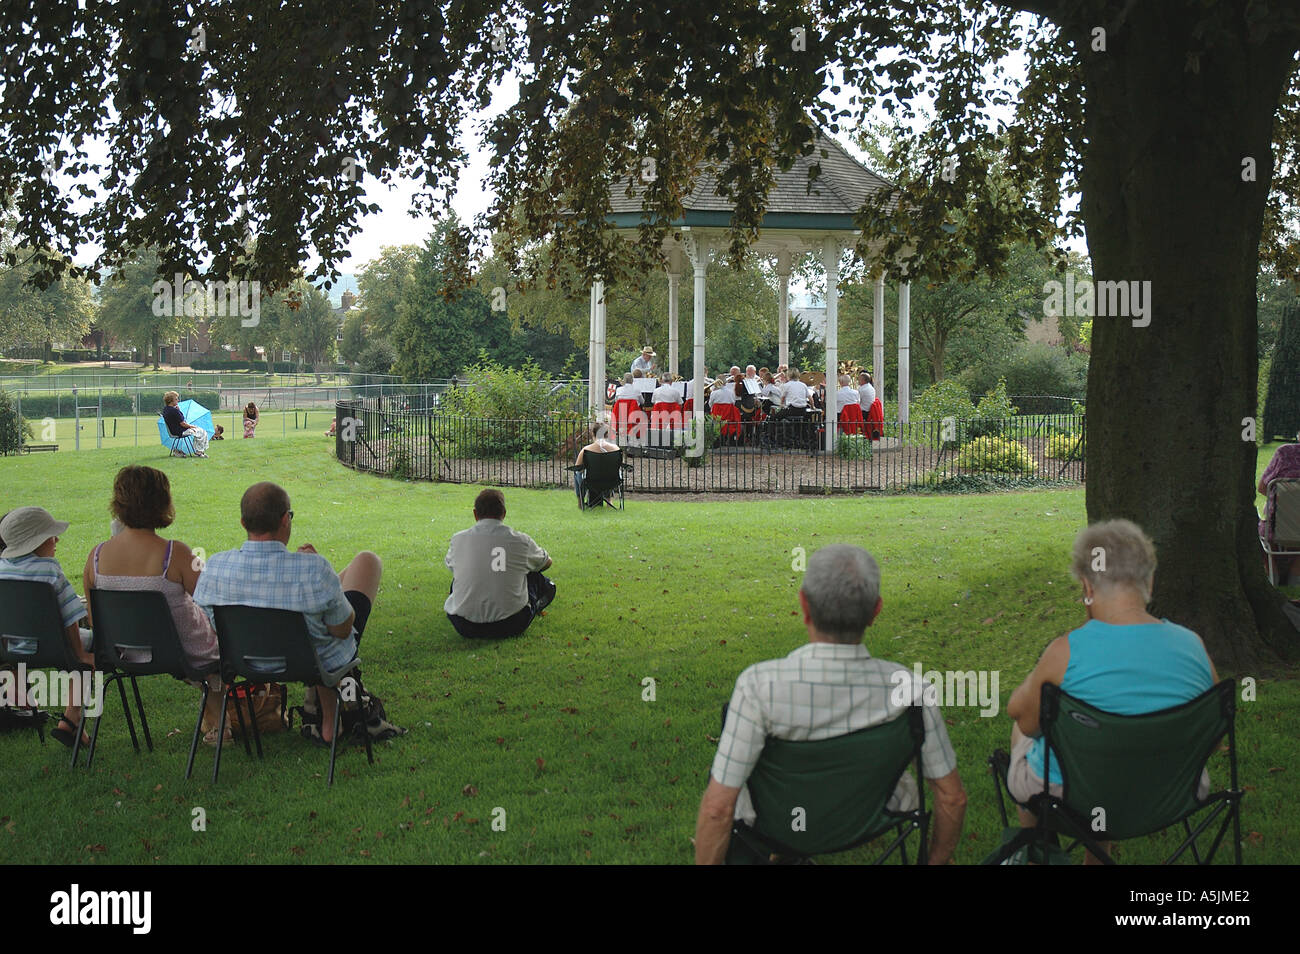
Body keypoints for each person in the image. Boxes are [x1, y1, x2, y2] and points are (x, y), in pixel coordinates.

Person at [694, 545, 967, 864]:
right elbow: (953, 798)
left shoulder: (758, 688)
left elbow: (717, 810)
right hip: (867, 819)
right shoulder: (912, 691)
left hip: (776, 823)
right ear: (875, 611)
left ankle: (788, 853)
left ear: (804, 606)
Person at [1005, 519, 1216, 864]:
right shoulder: (1193, 647)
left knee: (1024, 732)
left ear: (1087, 586)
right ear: (1149, 580)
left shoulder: (1066, 652)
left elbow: (1023, 719)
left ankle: (1037, 853)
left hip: (1070, 798)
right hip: (1170, 793)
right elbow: (1213, 738)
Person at [194, 482, 383, 744]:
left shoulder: (215, 567)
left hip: (241, 663)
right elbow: (342, 629)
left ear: (242, 522)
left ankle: (330, 713)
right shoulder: (313, 570)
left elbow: (207, 625)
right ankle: (330, 718)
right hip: (311, 664)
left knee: (319, 616)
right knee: (363, 569)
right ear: (285, 520)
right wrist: (323, 575)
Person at [81, 466, 225, 742]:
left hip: (121, 653)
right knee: (222, 642)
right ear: (163, 501)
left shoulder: (96, 557)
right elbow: (213, 599)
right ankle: (220, 723)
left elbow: (93, 616)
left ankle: (217, 720)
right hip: (183, 654)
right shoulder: (177, 553)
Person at [0, 507, 94, 747]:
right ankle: (71, 719)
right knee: (89, 651)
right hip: (54, 648)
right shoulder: (50, 570)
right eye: (51, 535)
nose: (57, 539)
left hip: (10, 650)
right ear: (35, 542)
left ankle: (53, 717)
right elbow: (70, 618)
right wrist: (80, 654)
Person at [444, 489, 556, 639]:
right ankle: (530, 605)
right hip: (511, 624)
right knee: (539, 579)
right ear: (503, 513)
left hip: (464, 625)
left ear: (475, 514)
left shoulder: (458, 540)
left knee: (459, 578)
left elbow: (452, 566)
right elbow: (546, 563)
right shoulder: (520, 541)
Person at [1257, 431, 1300, 584]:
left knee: (1259, 529)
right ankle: (1294, 579)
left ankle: (1271, 571)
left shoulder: (1285, 453)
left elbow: (1263, 487)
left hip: (1275, 527)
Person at [572, 429, 621, 506]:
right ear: (607, 434)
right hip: (611, 481)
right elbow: (619, 465)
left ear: (593, 434)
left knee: (577, 473)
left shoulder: (586, 450)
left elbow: (577, 467)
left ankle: (580, 502)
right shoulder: (616, 449)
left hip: (591, 481)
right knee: (609, 472)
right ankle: (609, 501)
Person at [162, 391, 209, 457]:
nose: (178, 400)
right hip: (180, 431)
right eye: (176, 399)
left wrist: (178, 410)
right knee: (202, 431)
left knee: (198, 431)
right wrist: (192, 426)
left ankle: (198, 451)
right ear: (171, 401)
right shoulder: (174, 411)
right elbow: (183, 424)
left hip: (174, 431)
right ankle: (199, 451)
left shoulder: (166, 410)